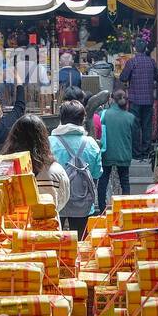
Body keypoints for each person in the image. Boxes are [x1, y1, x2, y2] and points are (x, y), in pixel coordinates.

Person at [49, 99, 102, 236]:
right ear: (82, 119)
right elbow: (97, 174)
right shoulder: (91, 143)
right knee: (80, 241)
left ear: (61, 118)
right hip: (82, 201)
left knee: (55, 239)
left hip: (56, 201)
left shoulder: (50, 142)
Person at [4, 114, 69, 213]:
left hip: (12, 226)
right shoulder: (56, 170)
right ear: (43, 139)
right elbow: (63, 199)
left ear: (13, 138)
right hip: (49, 225)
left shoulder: (4, 170)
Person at [97, 89, 139, 213]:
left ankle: (102, 208)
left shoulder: (103, 114)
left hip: (107, 153)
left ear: (112, 100)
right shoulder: (131, 117)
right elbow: (136, 138)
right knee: (124, 181)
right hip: (124, 154)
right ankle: (125, 209)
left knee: (103, 180)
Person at [119, 42, 157, 159]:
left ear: (135, 49)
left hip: (135, 99)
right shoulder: (151, 62)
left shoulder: (132, 62)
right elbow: (156, 75)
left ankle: (136, 152)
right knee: (147, 126)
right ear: (145, 49)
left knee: (135, 126)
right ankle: (146, 152)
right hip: (148, 99)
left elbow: (123, 77)